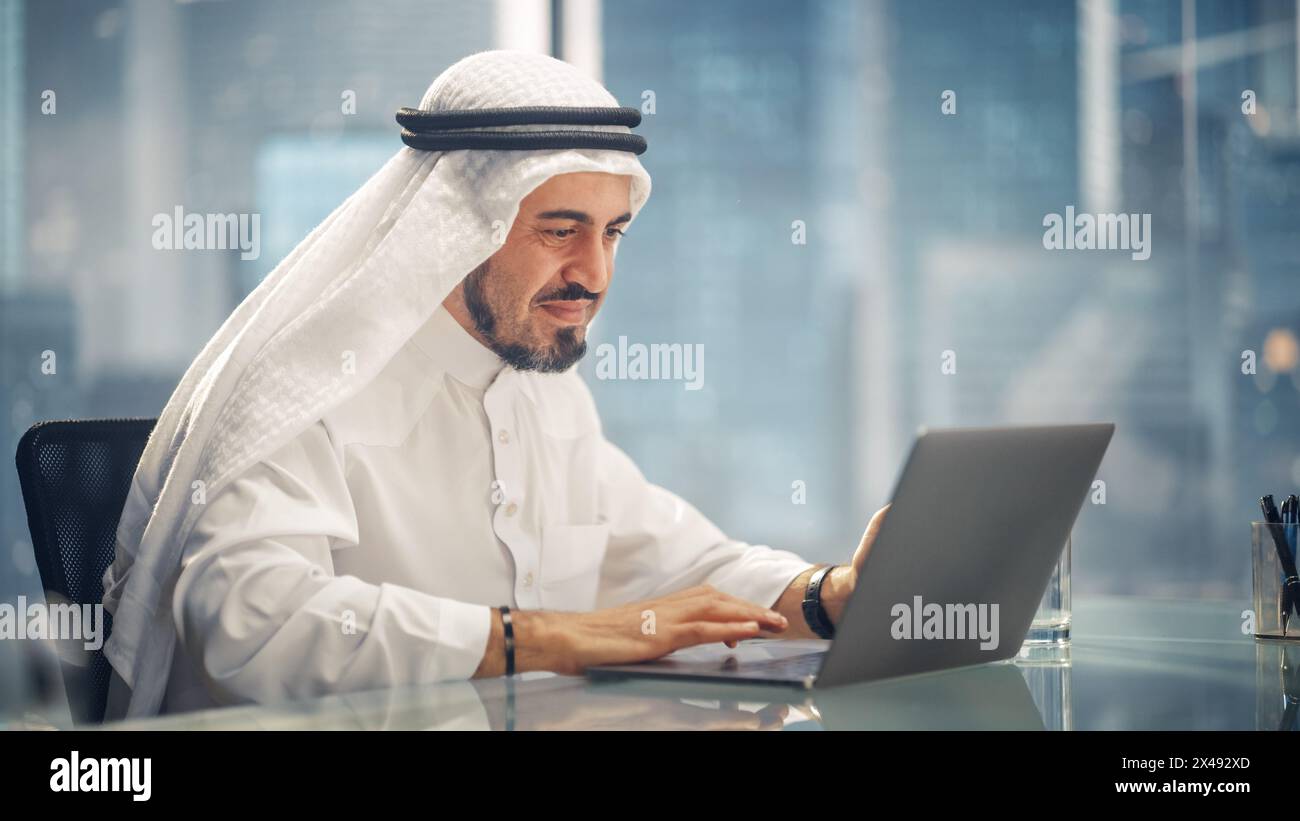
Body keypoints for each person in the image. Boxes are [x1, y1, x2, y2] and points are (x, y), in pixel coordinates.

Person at [101, 50, 887, 718]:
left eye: (612, 233)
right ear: (460, 222)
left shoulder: (541, 388)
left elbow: (674, 566)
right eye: (560, 231)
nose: (595, 273)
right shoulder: (312, 384)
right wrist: (549, 636)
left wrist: (827, 595)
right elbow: (249, 620)